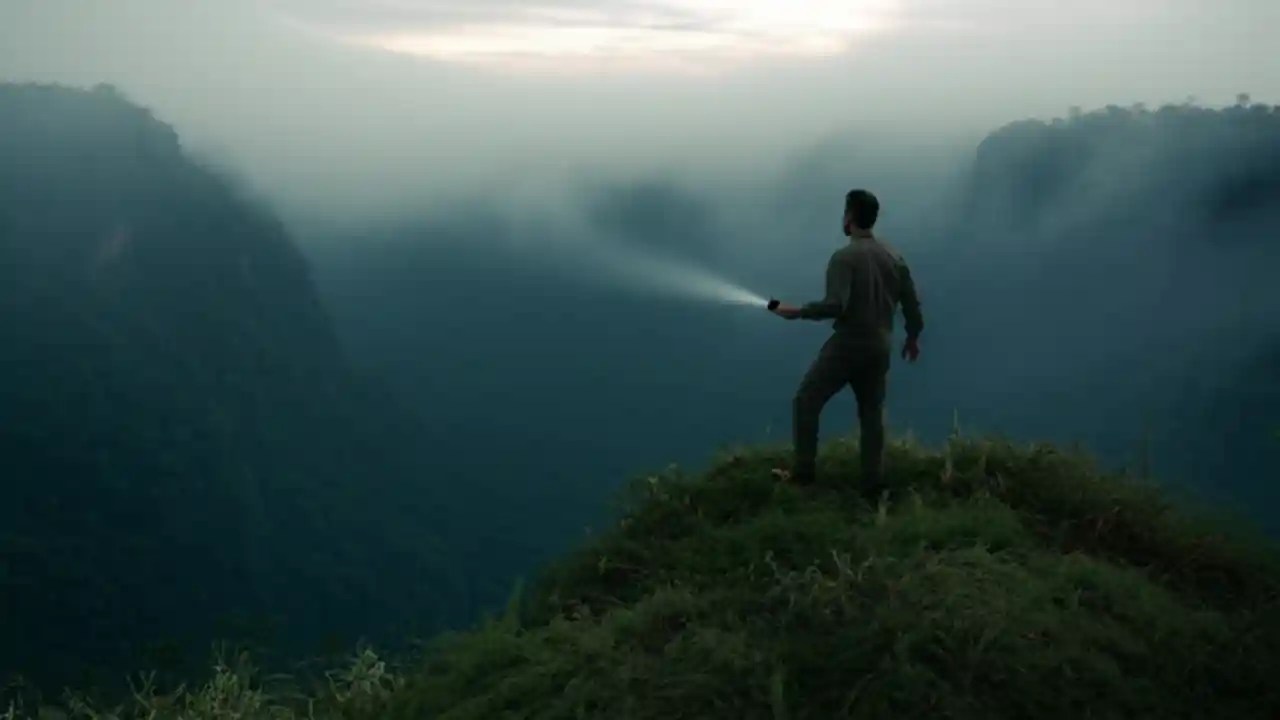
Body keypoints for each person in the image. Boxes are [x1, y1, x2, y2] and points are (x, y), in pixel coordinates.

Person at [769, 189, 924, 493]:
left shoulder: (844, 258)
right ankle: (872, 483)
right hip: (881, 344)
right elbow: (911, 305)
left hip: (850, 343)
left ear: (849, 217)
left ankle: (803, 476)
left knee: (806, 400)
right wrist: (913, 337)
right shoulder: (894, 256)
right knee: (871, 411)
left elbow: (836, 306)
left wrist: (796, 311)